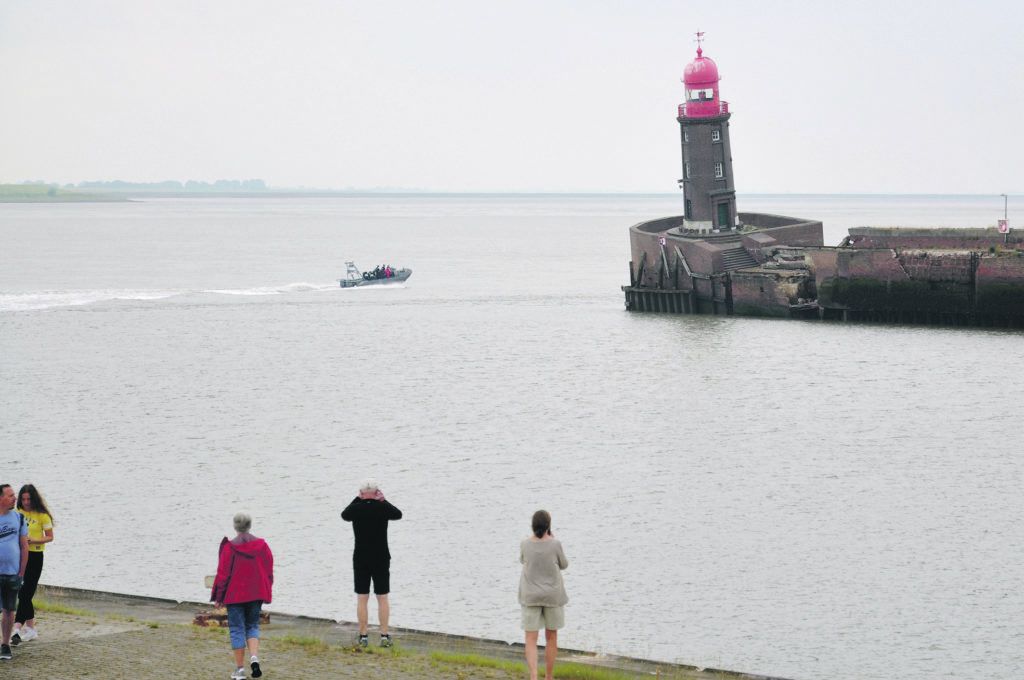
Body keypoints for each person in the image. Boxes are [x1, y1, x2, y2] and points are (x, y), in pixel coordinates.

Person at [211, 512, 273, 680]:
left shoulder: (230, 548)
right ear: (250, 525)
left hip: (235, 595)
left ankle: (240, 670)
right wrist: (267, 589)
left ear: (235, 526)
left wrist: (219, 597)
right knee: (252, 626)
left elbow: (223, 575)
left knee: (237, 629)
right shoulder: (263, 546)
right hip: (256, 593)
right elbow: (269, 570)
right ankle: (254, 658)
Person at [340, 478, 402, 647]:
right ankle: (384, 635)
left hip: (361, 557)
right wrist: (383, 500)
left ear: (361, 492)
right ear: (376, 492)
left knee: (362, 597)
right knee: (382, 597)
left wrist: (357, 499)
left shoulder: (355, 509)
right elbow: (398, 514)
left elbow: (344, 514)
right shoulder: (383, 507)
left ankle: (363, 636)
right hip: (381, 557)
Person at [519, 509, 569, 680]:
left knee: (530, 639)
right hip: (552, 596)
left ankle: (534, 676)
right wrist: (552, 539)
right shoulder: (555, 544)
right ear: (548, 526)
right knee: (551, 636)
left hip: (530, 596)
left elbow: (522, 560)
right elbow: (564, 564)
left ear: (532, 526)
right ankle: (548, 676)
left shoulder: (525, 544)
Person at [12, 484, 53, 646]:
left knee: (25, 593)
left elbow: (50, 537)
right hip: (20, 555)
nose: (26, 502)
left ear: (34, 499)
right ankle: (30, 629)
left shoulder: (42, 515)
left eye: (29, 499)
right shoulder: (17, 513)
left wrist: (33, 540)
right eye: (23, 499)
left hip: (35, 556)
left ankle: (17, 629)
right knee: (23, 593)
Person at [0, 484, 28, 661]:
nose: (15, 498)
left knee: (9, 609)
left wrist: (21, 573)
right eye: (10, 495)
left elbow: (24, 547)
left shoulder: (19, 518)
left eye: (14, 495)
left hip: (12, 573)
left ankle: (5, 644)